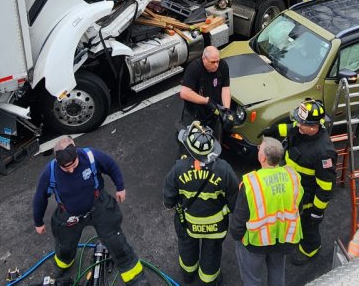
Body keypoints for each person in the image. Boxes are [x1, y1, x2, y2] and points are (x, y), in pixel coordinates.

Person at [31, 138, 146, 285]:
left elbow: (111, 166)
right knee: (65, 246)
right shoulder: (50, 172)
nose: (71, 170)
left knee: (116, 242)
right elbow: (40, 198)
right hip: (69, 215)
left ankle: (136, 278)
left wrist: (120, 187)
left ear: (77, 153)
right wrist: (38, 222)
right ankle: (63, 264)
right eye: (66, 168)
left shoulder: (91, 156)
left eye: (73, 165)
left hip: (98, 206)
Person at [260, 99, 336, 266]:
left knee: (309, 226)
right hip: (292, 190)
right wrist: (271, 130)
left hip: (307, 199)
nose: (298, 125)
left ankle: (311, 249)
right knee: (294, 219)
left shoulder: (323, 152)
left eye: (302, 123)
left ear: (314, 126)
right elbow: (289, 129)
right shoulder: (302, 130)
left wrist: (317, 211)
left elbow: (326, 187)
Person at [163, 122, 239, 285]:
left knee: (187, 247)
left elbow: (169, 194)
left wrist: (170, 204)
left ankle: (188, 274)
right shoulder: (224, 169)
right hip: (215, 225)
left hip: (188, 222)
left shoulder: (179, 168)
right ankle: (208, 280)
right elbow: (234, 199)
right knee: (211, 252)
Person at [229, 136, 302, 286]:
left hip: (256, 242)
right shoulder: (293, 176)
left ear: (262, 157)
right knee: (277, 274)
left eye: (259, 148)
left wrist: (238, 237)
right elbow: (297, 206)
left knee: (252, 279)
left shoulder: (251, 183)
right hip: (283, 238)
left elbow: (238, 222)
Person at [179, 46, 231, 142]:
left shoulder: (223, 66)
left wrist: (227, 110)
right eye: (213, 62)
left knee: (211, 141)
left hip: (212, 112)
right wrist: (206, 101)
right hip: (194, 114)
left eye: (217, 61)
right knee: (189, 141)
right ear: (204, 59)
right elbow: (184, 93)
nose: (216, 65)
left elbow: (225, 88)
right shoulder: (194, 68)